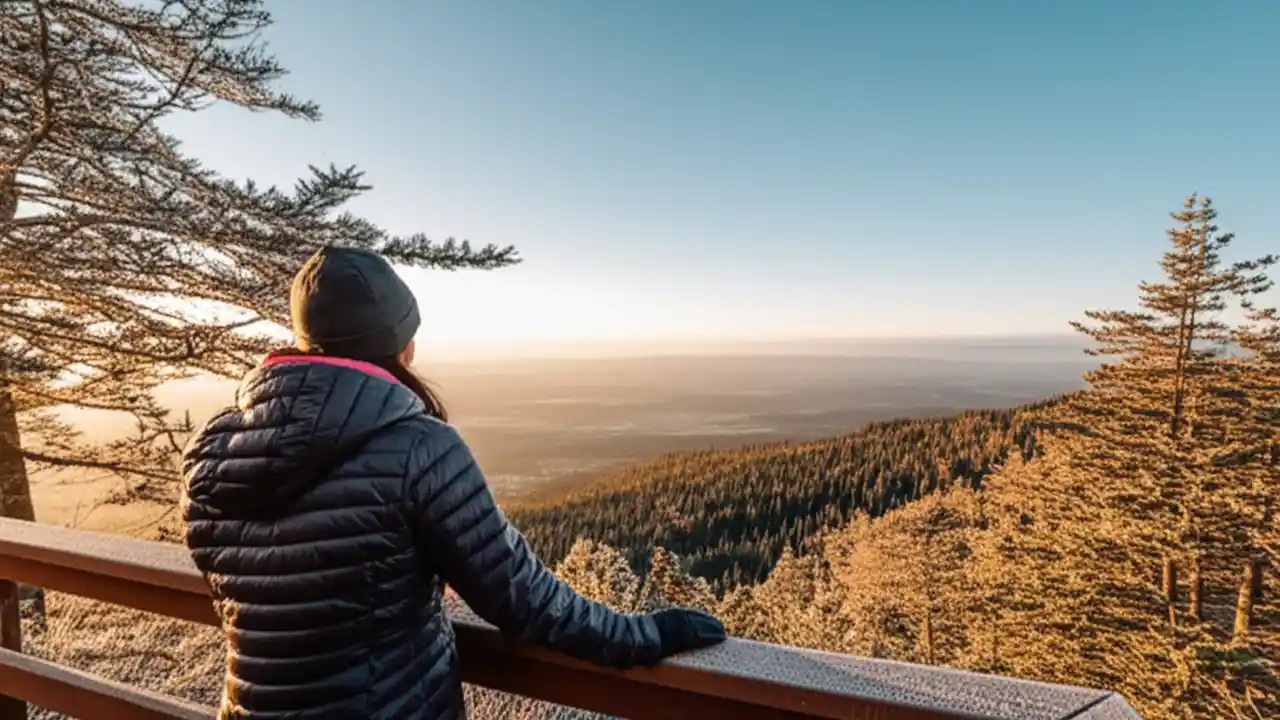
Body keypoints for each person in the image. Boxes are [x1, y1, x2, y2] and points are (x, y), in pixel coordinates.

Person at [181, 247, 726, 719]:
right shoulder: (420, 448)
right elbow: (522, 599)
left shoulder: (212, 454)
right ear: (402, 345)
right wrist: (645, 636)